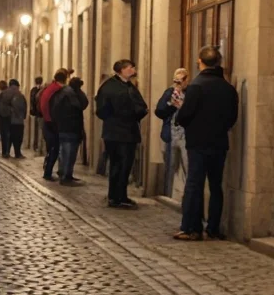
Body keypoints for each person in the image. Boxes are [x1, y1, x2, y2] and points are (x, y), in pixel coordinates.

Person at [173, 46, 239, 240]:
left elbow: (184, 115)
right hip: (219, 141)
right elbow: (232, 117)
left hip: (198, 142)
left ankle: (191, 227)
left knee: (194, 184)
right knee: (216, 185)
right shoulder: (228, 88)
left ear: (199, 62)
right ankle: (213, 227)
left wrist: (184, 118)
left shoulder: (197, 86)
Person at [95, 59, 148, 208]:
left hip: (124, 131)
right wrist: (118, 117)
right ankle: (116, 197)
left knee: (123, 165)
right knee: (119, 165)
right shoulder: (111, 87)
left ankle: (120, 195)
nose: (133, 70)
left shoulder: (127, 85)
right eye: (130, 68)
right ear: (122, 70)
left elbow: (140, 105)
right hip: (118, 132)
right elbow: (102, 110)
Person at [155, 68, 190, 198]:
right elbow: (159, 111)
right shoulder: (169, 92)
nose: (179, 83)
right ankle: (169, 194)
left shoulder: (191, 93)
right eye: (176, 80)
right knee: (170, 165)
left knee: (187, 166)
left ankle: (185, 197)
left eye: (181, 80)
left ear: (186, 80)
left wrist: (182, 106)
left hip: (186, 135)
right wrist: (171, 103)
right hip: (171, 133)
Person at [52, 76, 89, 185]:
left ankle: (63, 173)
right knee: (69, 153)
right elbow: (83, 104)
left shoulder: (63, 92)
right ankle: (66, 177)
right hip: (71, 128)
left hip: (63, 127)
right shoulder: (71, 94)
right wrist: (79, 91)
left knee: (64, 152)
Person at [39, 69, 68, 181]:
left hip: (47, 120)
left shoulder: (49, 88)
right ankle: (48, 172)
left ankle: (47, 170)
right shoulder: (58, 90)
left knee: (52, 148)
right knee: (54, 149)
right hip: (52, 122)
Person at [0, 79, 22, 158]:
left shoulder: (3, 93)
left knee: (5, 135)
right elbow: (20, 106)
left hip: (3, 117)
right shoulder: (18, 93)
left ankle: (5, 152)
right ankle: (17, 153)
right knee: (15, 136)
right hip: (14, 118)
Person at [30, 77, 45, 155]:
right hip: (41, 113)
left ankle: (36, 147)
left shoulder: (33, 90)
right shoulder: (43, 90)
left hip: (36, 113)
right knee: (41, 131)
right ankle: (39, 148)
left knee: (37, 131)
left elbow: (32, 101)